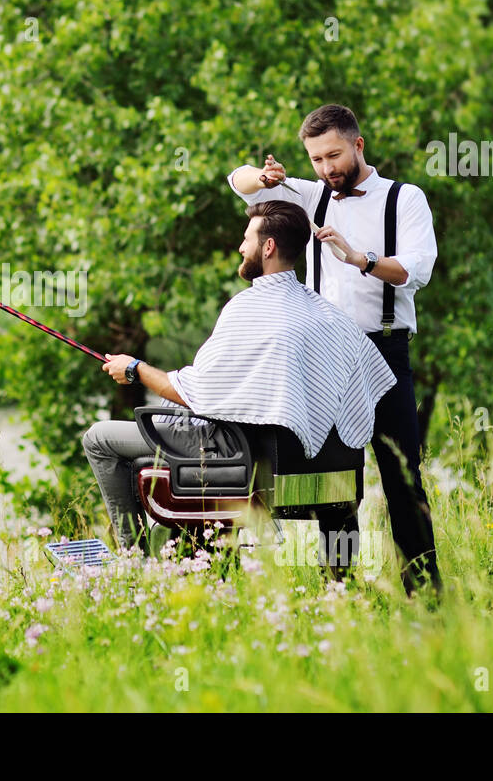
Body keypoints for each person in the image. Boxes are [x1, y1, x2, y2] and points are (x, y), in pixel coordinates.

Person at [83, 200, 395, 559]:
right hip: (330, 471)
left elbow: (195, 394)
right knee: (144, 456)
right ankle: (342, 587)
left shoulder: (248, 309)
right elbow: (360, 396)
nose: (240, 247)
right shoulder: (330, 316)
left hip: (241, 454)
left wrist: (136, 368)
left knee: (99, 438)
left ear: (268, 247)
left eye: (246, 239)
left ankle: (132, 559)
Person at [227, 104, 443, 596]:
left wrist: (359, 258)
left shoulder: (404, 199)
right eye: (316, 159)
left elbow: (417, 271)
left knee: (403, 483)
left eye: (334, 156)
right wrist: (261, 177)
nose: (326, 169)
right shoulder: (309, 194)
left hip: (385, 353)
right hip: (327, 356)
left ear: (358, 145)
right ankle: (338, 592)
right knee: (335, 484)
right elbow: (238, 184)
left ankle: (426, 596)